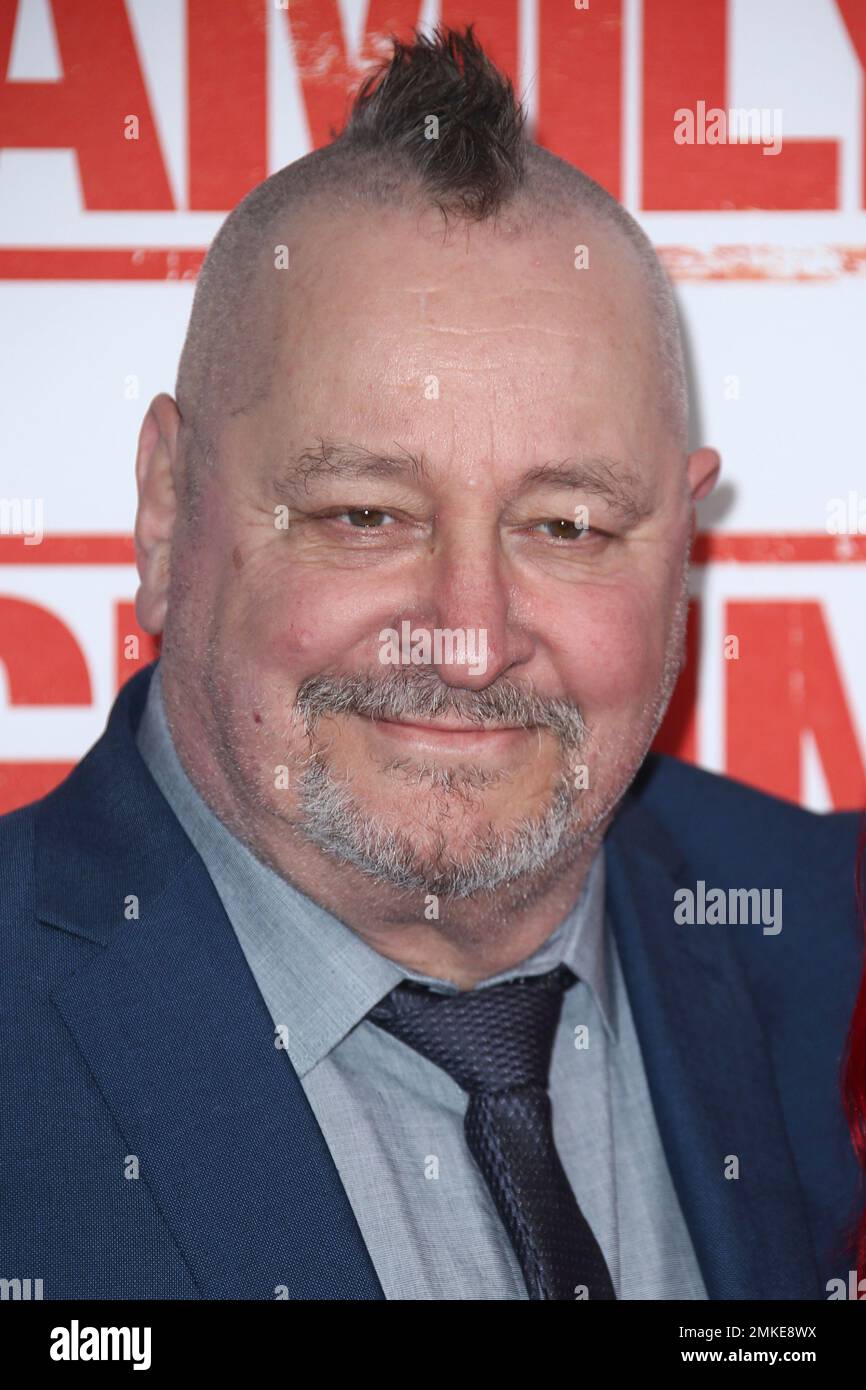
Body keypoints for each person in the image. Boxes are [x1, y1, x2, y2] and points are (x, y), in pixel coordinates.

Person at [1, 23, 863, 1302]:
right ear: (169, 506)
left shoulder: (837, 933)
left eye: (565, 525)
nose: (467, 636)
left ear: (680, 537)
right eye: (363, 513)